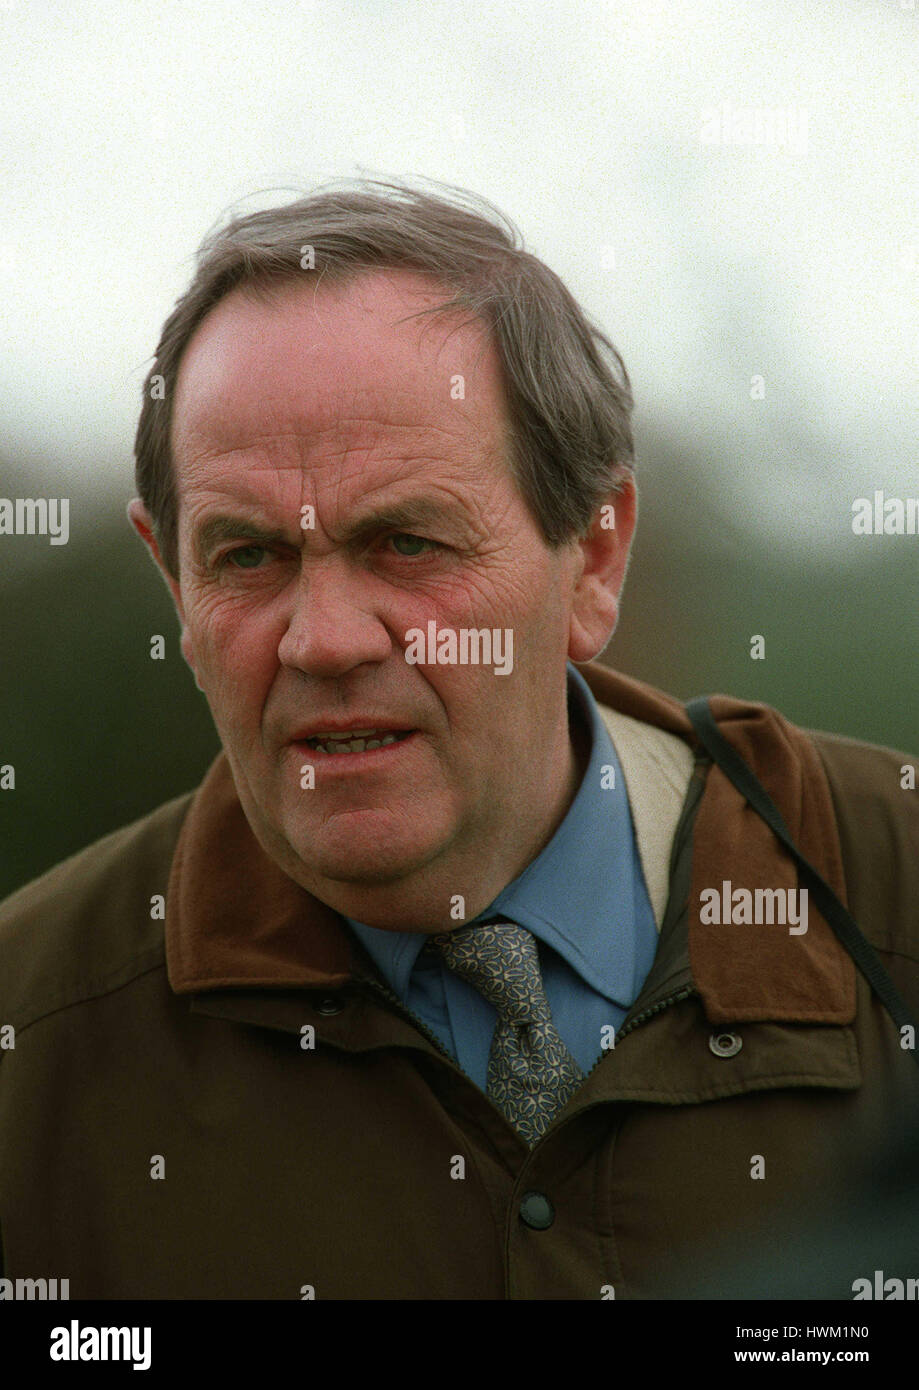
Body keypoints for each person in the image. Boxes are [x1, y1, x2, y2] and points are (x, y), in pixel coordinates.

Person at [1, 179, 917, 1301]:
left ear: (593, 557)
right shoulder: (32, 1047)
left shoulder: (889, 886)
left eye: (408, 542)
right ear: (171, 579)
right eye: (245, 556)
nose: (324, 639)